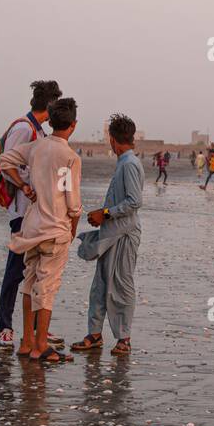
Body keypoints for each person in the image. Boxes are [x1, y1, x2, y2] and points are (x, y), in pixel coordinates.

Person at [0, 97, 82, 361]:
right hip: (55, 228)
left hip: (32, 228)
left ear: (51, 119)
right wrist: (72, 230)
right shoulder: (70, 157)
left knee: (29, 282)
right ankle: (41, 345)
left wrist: (23, 185)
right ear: (73, 125)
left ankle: (27, 342)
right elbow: (73, 201)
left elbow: (4, 160)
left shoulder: (35, 147)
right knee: (47, 287)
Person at [0, 80, 62, 350]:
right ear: (48, 106)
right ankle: (5, 327)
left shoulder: (38, 131)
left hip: (35, 213)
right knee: (15, 270)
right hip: (22, 211)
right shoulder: (24, 129)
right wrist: (24, 185)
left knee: (33, 271)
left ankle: (36, 330)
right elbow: (7, 163)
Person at [71, 114, 143, 357]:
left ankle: (124, 338)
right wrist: (104, 217)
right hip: (110, 233)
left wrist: (105, 213)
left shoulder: (130, 164)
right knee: (100, 286)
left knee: (121, 286)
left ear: (112, 140)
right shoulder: (124, 162)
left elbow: (134, 202)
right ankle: (94, 334)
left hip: (124, 235)